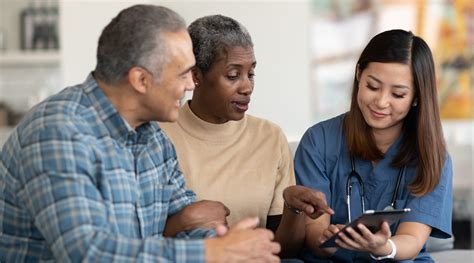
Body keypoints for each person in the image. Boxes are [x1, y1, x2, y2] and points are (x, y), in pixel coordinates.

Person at [0, 5, 282, 262]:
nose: (189, 84)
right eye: (183, 74)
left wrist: (233, 249)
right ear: (141, 80)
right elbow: (88, 253)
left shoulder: (155, 139)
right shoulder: (58, 132)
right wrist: (212, 252)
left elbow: (187, 228)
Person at [159, 14, 334, 258]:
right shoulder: (159, 137)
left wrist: (293, 210)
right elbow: (143, 238)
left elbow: (284, 251)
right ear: (195, 76)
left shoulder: (270, 137)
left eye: (250, 74)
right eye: (233, 75)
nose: (247, 87)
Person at [294, 29, 453, 262]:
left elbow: (411, 239)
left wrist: (384, 247)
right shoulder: (319, 141)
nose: (381, 102)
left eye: (398, 94)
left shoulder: (432, 158)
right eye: (373, 86)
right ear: (359, 73)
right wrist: (327, 240)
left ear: (417, 97)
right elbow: (315, 233)